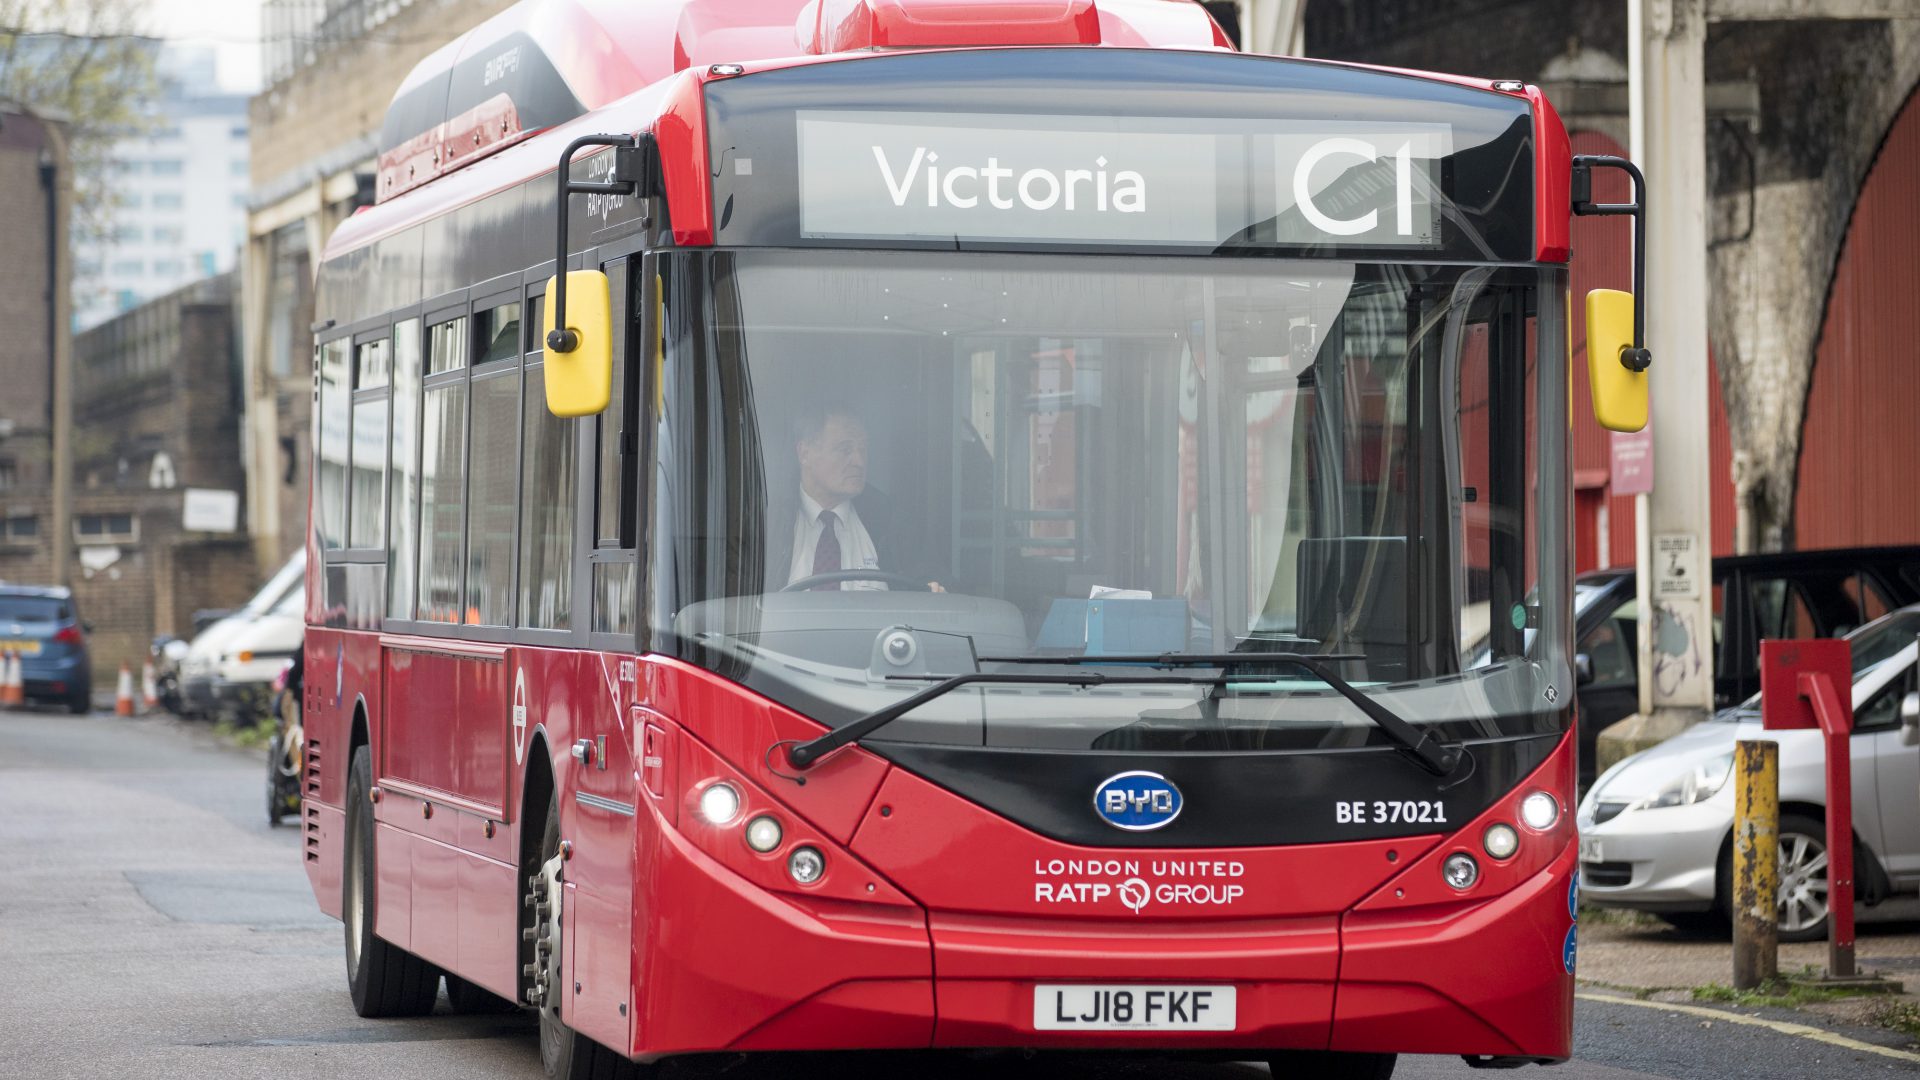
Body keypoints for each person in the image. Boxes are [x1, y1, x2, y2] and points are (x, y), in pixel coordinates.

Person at [767, 407, 941, 591]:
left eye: (863, 450)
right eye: (845, 450)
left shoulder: (890, 522)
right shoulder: (766, 522)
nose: (859, 462)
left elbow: (931, 583)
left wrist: (934, 588)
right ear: (805, 453)